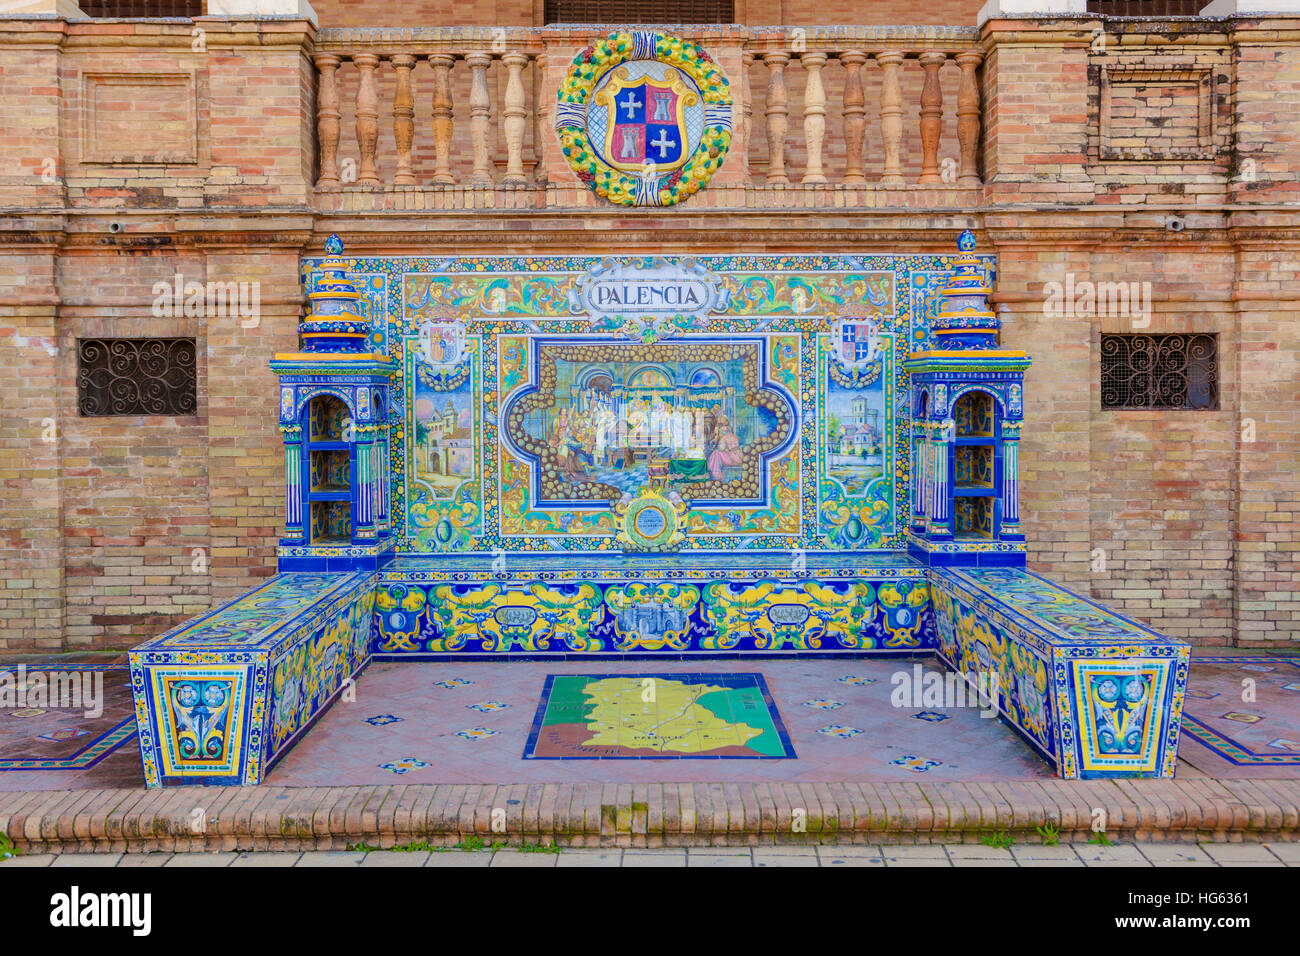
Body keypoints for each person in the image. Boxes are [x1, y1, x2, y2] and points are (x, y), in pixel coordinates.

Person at [707, 414, 741, 479]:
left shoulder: (725, 437)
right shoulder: (731, 435)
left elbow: (721, 448)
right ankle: (713, 472)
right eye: (724, 426)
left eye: (726, 426)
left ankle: (716, 474)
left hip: (733, 458)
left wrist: (718, 436)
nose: (726, 428)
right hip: (736, 457)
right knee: (715, 453)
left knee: (716, 453)